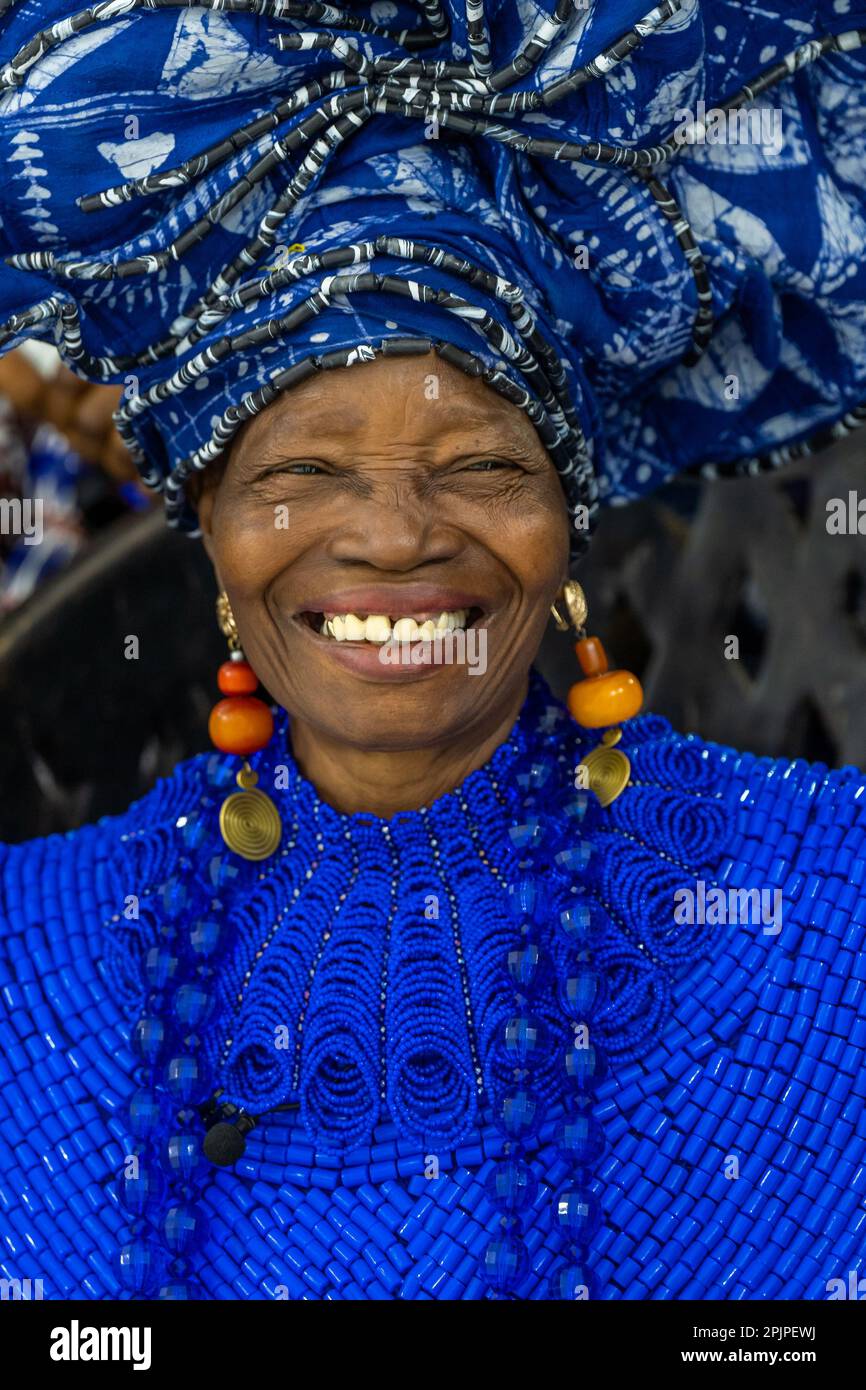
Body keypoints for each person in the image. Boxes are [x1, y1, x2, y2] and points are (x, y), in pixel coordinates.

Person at [0, 0, 865, 1301]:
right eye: (305, 470)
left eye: (479, 464)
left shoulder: (833, 911)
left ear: (566, 528)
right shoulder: (28, 961)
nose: (397, 536)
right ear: (216, 537)